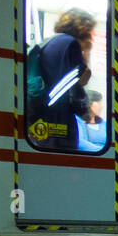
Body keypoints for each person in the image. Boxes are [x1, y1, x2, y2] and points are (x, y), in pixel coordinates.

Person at [27, 8, 96, 149]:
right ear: (84, 29)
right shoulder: (71, 44)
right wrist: (85, 111)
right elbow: (77, 86)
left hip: (39, 122)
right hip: (59, 126)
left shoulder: (47, 43)